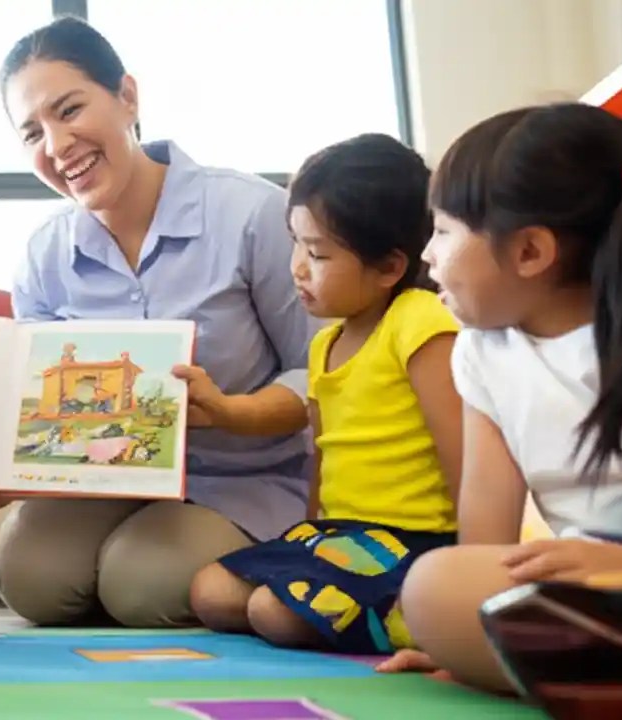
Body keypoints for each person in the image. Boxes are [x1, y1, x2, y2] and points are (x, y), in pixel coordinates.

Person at [0, 16, 318, 628]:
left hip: (242, 477)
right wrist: (2, 477)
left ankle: (167, 563)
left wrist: (232, 411)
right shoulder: (45, 256)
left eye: (69, 110)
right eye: (32, 132)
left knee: (140, 586)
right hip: (107, 479)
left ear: (127, 96)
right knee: (30, 579)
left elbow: (324, 370)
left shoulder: (251, 215)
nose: (58, 144)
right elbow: (43, 416)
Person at [380, 103, 622, 693]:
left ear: (529, 252)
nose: (427, 254)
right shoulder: (479, 352)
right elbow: (486, 516)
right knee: (434, 586)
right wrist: (467, 628)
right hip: (598, 588)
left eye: (443, 231)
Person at [189, 134, 462, 654]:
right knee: (210, 593)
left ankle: (411, 615)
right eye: (296, 243)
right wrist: (309, 534)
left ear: (389, 268)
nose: (296, 267)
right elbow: (323, 455)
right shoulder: (324, 345)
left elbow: (463, 458)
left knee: (272, 612)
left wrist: (465, 580)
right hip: (340, 536)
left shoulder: (420, 323)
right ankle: (353, 605)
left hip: (417, 542)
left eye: (317, 253)